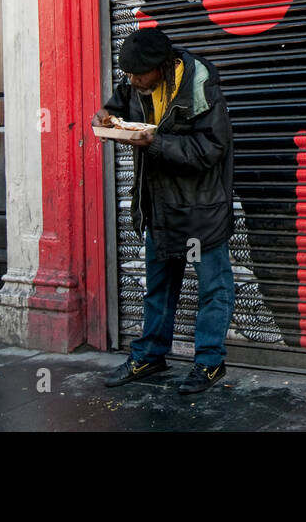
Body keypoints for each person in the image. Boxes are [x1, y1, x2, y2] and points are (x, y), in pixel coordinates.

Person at [93, 27, 236, 394]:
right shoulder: (137, 86)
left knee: (213, 289)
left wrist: (155, 143)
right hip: (158, 206)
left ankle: (209, 363)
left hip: (202, 208)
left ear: (162, 66)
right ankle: (151, 354)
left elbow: (211, 149)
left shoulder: (200, 87)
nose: (132, 80)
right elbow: (115, 107)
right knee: (157, 288)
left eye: (139, 74)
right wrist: (105, 120)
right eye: (128, 73)